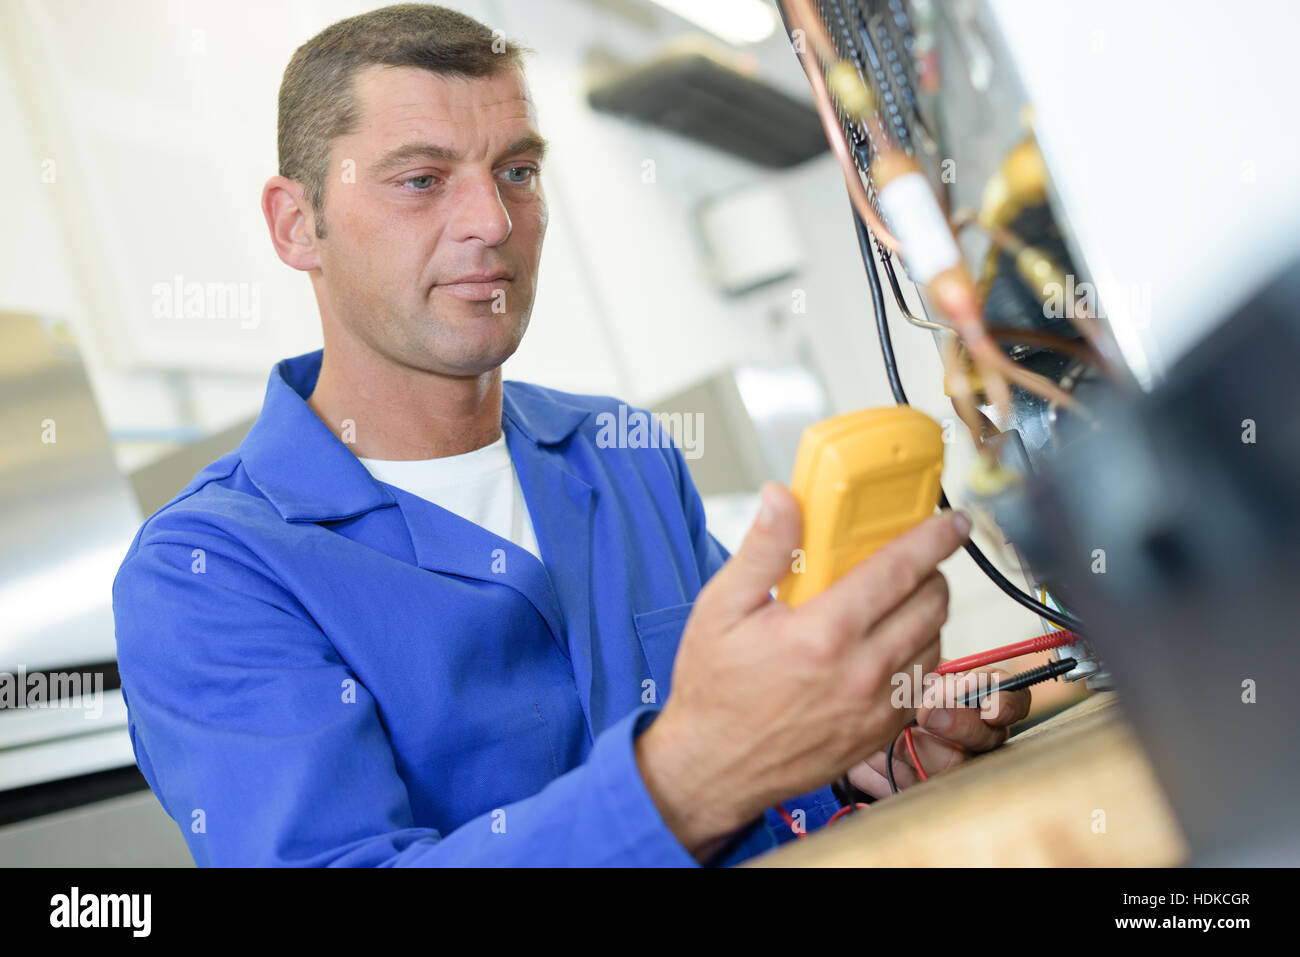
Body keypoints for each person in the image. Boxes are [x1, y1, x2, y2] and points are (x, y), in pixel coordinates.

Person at [111, 3, 1029, 867]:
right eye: (421, 180)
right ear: (296, 223)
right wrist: (692, 775)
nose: (492, 223)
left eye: (516, 171)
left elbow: (765, 761)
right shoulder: (209, 574)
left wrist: (860, 754)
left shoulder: (620, 450)